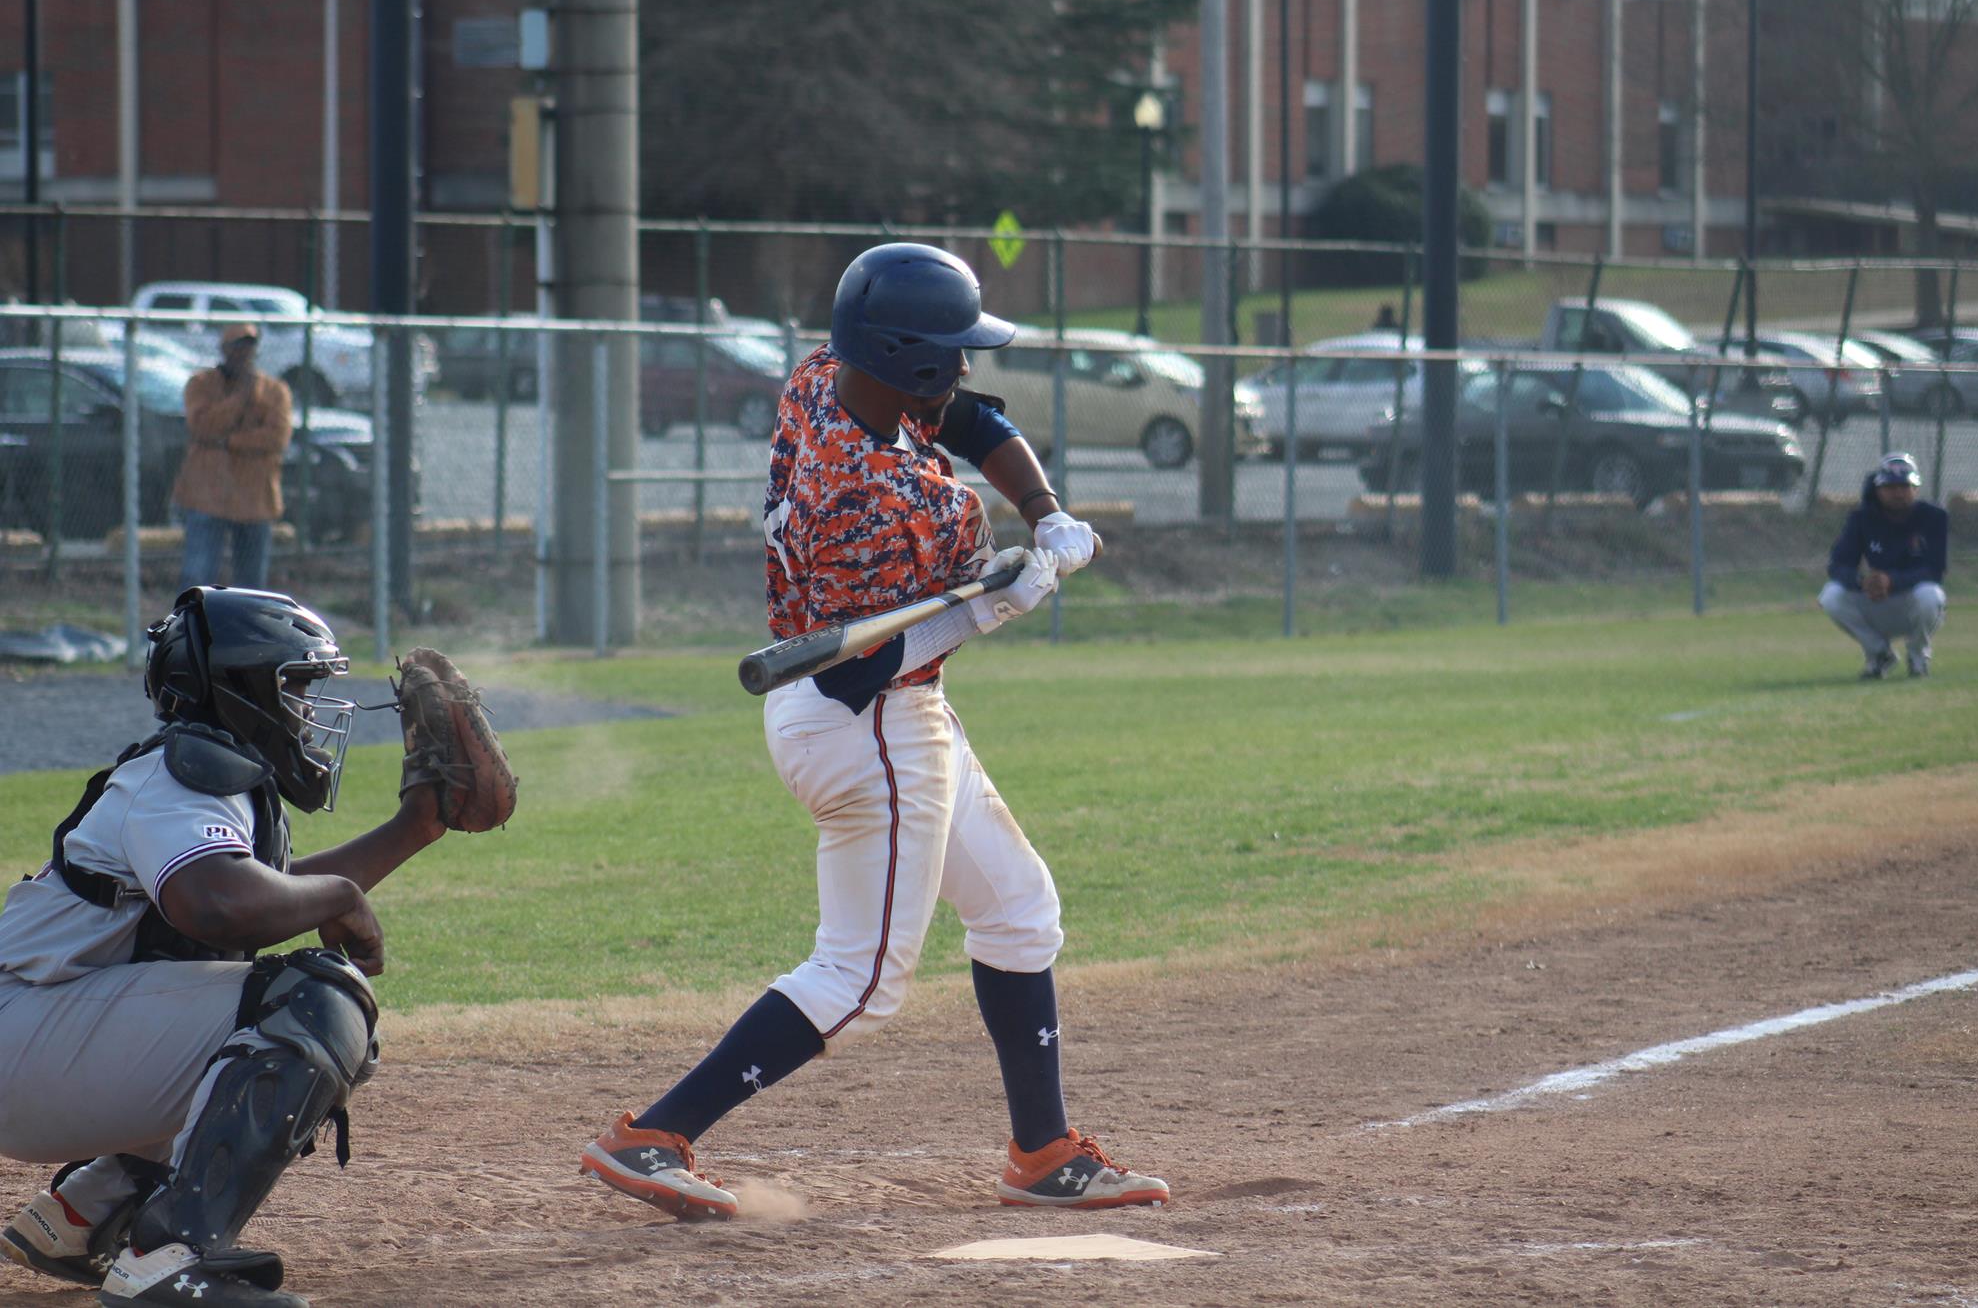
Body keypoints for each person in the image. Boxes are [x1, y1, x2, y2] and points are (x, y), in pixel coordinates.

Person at [580, 242, 1167, 1219]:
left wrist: (1044, 511)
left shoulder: (825, 376)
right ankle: (652, 1134)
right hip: (867, 721)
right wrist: (994, 603)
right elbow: (866, 660)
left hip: (871, 705)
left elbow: (970, 419)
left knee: (1018, 908)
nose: (966, 366)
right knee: (860, 977)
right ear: (907, 356)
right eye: (950, 349)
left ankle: (1043, 1151)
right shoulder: (890, 500)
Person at [0, 587, 448, 1306]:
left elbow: (263, 890)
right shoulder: (186, 775)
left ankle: (89, 1212)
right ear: (243, 688)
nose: (311, 709)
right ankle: (169, 1256)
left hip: (36, 1037)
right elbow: (216, 905)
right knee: (313, 1003)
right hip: (25, 1040)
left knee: (276, 1016)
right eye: (298, 687)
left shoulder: (202, 779)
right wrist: (340, 897)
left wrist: (415, 826)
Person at [173, 323, 294, 593]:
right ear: (224, 350)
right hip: (207, 496)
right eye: (237, 348)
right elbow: (202, 427)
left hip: (254, 499)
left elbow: (276, 438)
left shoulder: (274, 391)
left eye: (248, 348)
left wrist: (229, 442)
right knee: (198, 578)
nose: (243, 355)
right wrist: (239, 398)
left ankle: (244, 634)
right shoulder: (201, 385)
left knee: (251, 586)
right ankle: (192, 630)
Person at [1819, 451, 1948, 679]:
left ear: (1915, 489)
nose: (1898, 492)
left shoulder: (1934, 517)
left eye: (1904, 486)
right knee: (1831, 595)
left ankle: (1918, 656)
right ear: (1878, 489)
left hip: (1913, 603)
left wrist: (1893, 580)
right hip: (1877, 600)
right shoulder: (1862, 518)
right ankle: (1879, 653)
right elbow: (1837, 565)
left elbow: (1935, 570)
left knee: (1931, 595)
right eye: (1890, 487)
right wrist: (1862, 581)